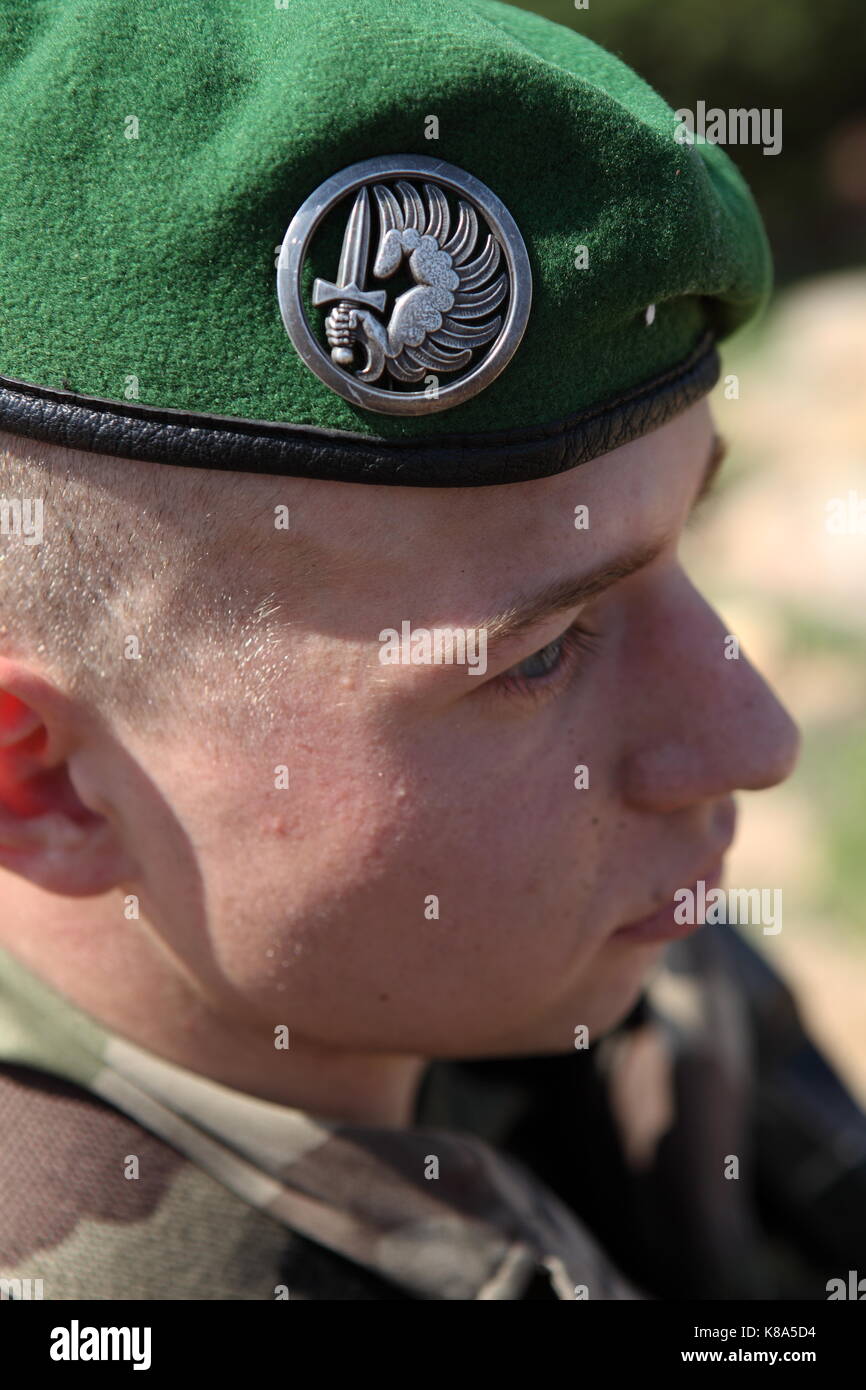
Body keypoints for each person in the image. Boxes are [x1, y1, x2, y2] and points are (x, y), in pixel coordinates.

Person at [0, 0, 863, 1301]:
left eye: (690, 530)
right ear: (43, 783)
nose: (748, 740)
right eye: (538, 654)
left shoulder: (586, 951)